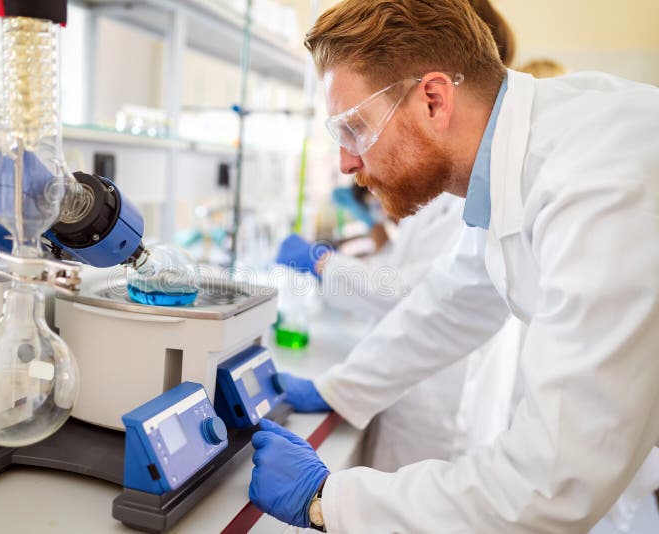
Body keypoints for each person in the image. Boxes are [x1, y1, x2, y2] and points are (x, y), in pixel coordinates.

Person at [250, 1, 659, 532]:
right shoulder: (514, 163)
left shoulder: (594, 182)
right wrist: (339, 389)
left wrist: (328, 501)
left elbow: (554, 482)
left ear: (434, 100)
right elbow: (454, 300)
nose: (347, 162)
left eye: (355, 128)